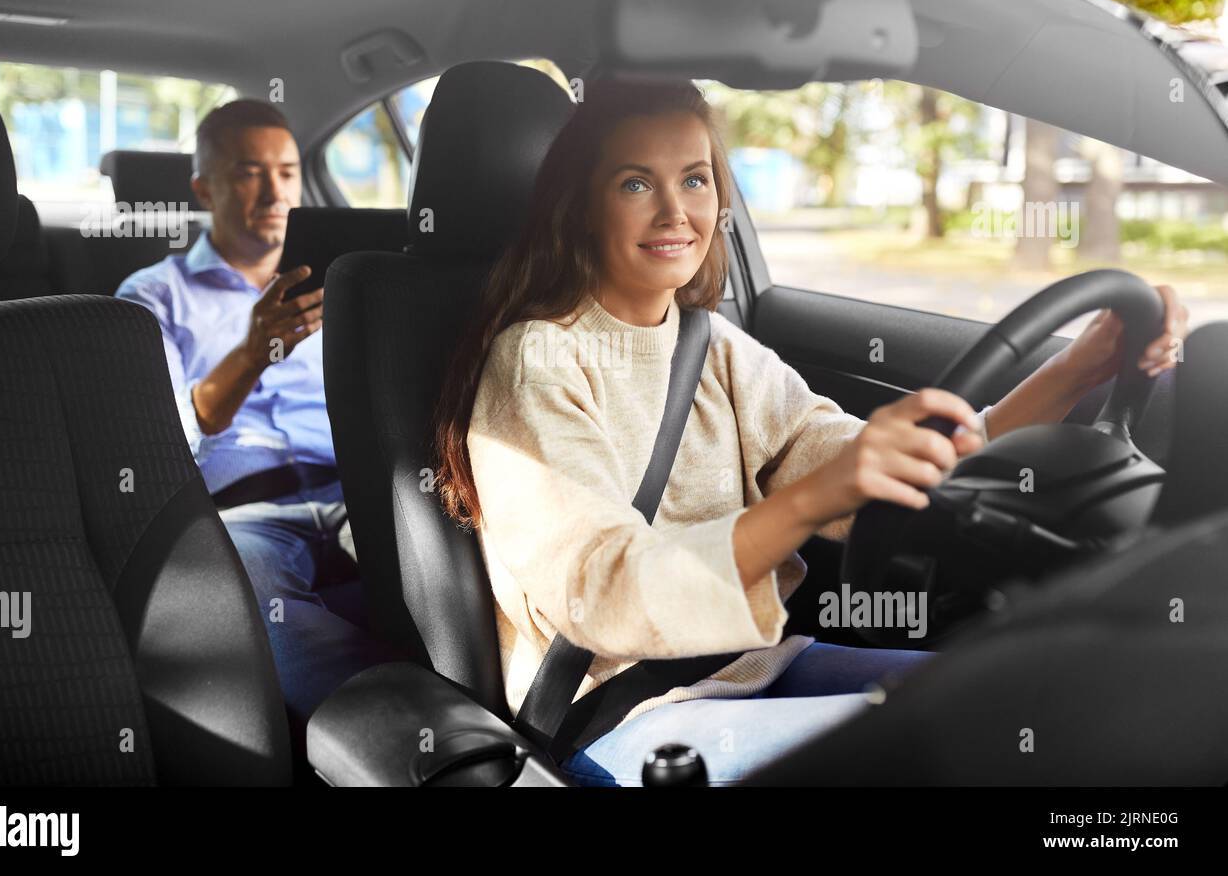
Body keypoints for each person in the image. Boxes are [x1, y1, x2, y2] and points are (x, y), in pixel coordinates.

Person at [431, 78, 1189, 786]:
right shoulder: (537, 359)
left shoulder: (716, 348)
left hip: (759, 666)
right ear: (580, 206)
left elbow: (885, 475)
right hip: (629, 719)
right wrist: (810, 500)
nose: (675, 212)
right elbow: (603, 591)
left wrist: (1077, 371)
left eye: (695, 179)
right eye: (636, 183)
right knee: (976, 745)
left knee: (1040, 704)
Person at [115, 100, 386, 761]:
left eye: (288, 172)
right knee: (259, 607)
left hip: (353, 488)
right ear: (204, 188)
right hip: (240, 511)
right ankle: (401, 742)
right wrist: (252, 351)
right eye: (248, 173)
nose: (274, 192)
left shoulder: (345, 283)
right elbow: (165, 440)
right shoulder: (152, 296)